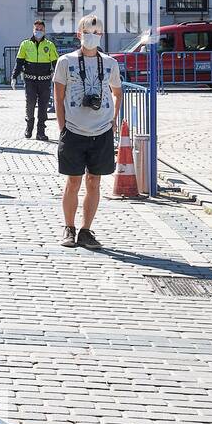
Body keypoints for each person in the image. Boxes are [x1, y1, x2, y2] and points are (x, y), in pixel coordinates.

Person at [54, 14, 123, 251]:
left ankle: (86, 230)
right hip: (74, 131)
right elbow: (59, 95)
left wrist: (112, 120)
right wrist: (62, 127)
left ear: (101, 35)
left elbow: (117, 91)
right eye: (87, 32)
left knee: (94, 182)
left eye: (95, 32)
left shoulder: (111, 63)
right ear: (78, 34)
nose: (91, 36)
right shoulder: (66, 61)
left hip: (101, 131)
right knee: (73, 182)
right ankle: (69, 228)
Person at [12, 19, 60, 141]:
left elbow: (56, 63)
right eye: (36, 29)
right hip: (30, 81)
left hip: (44, 81)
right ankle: (29, 128)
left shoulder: (49, 45)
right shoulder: (25, 44)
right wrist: (14, 76)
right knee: (30, 104)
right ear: (33, 30)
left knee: (43, 107)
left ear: (44, 31)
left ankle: (41, 132)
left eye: (41, 30)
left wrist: (60, 77)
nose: (38, 32)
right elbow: (19, 62)